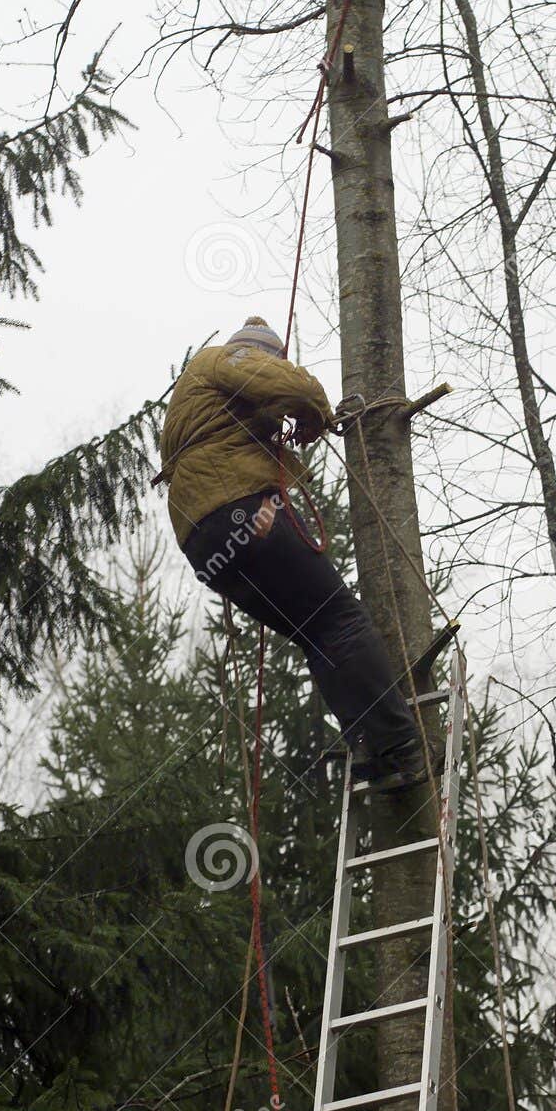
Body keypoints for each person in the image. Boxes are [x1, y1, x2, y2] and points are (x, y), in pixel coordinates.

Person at [161, 315, 424, 790]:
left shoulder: (198, 408)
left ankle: (370, 751)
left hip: (207, 546)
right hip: (241, 511)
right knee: (341, 619)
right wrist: (315, 412)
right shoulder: (225, 358)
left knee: (316, 632)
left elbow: (238, 436)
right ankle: (401, 745)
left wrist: (296, 428)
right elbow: (293, 386)